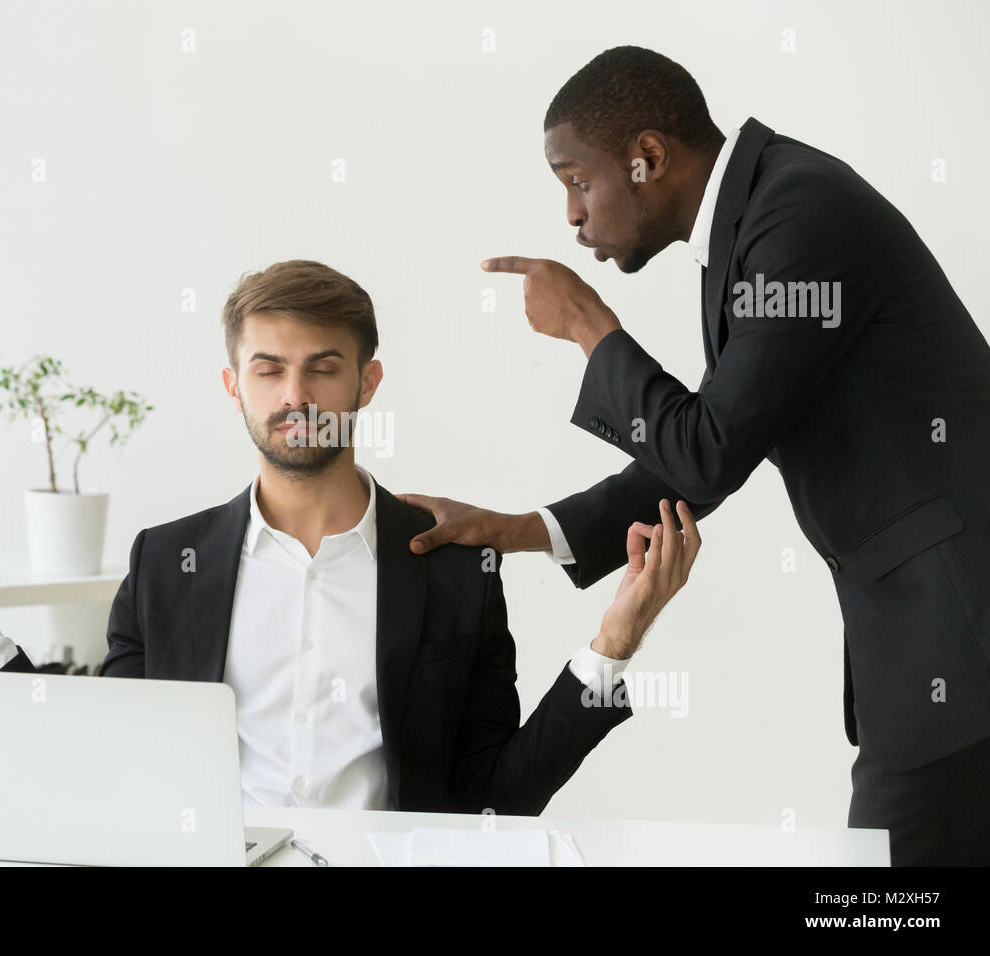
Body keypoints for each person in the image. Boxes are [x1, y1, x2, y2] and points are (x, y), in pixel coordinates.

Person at [399, 46, 990, 864]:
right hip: (934, 637)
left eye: (577, 180)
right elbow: (709, 442)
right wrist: (521, 529)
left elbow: (708, 450)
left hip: (958, 628)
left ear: (647, 158)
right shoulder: (762, 219)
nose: (571, 217)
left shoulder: (800, 215)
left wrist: (587, 325)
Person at [0, 258, 700, 815]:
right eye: (269, 369)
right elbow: (105, 760)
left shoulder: (454, 567)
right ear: (232, 386)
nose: (295, 393)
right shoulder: (166, 564)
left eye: (322, 367)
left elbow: (499, 796)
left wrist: (613, 642)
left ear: (366, 382)